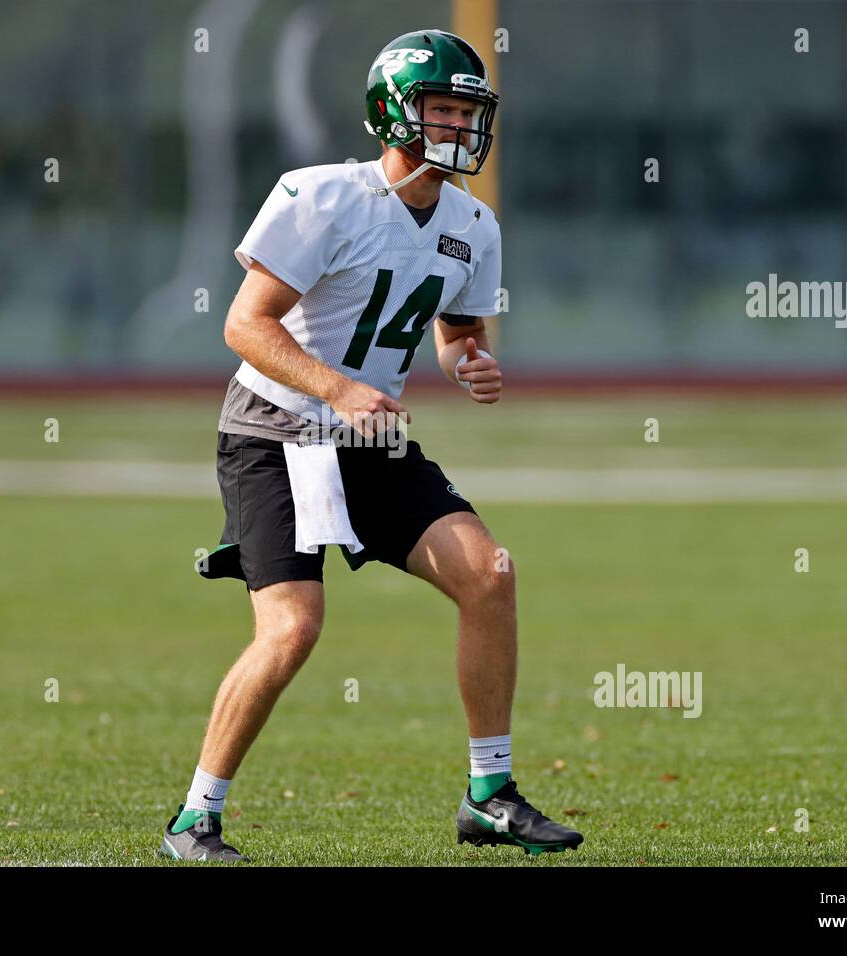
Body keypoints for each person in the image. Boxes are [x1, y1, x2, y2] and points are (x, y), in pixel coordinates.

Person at [159, 28, 582, 862]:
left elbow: (458, 334)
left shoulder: (471, 223)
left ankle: (488, 794)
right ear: (395, 114)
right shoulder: (325, 199)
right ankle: (194, 819)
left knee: (490, 575)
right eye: (443, 110)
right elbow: (245, 324)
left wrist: (471, 365)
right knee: (291, 630)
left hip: (369, 437)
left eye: (469, 112)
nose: (460, 128)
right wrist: (338, 387)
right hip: (274, 432)